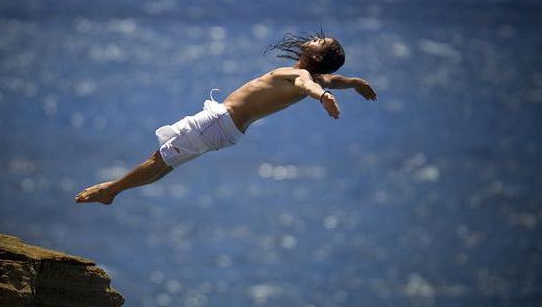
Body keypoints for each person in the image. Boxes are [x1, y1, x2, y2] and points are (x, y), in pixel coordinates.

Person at [75, 31, 377, 205]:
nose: (312, 38)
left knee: (160, 159)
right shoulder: (316, 76)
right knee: (167, 166)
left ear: (318, 56)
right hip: (229, 133)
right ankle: (116, 190)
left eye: (318, 41)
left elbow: (308, 85)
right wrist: (354, 82)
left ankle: (110, 190)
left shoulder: (299, 75)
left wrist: (322, 97)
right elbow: (330, 80)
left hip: (218, 121)